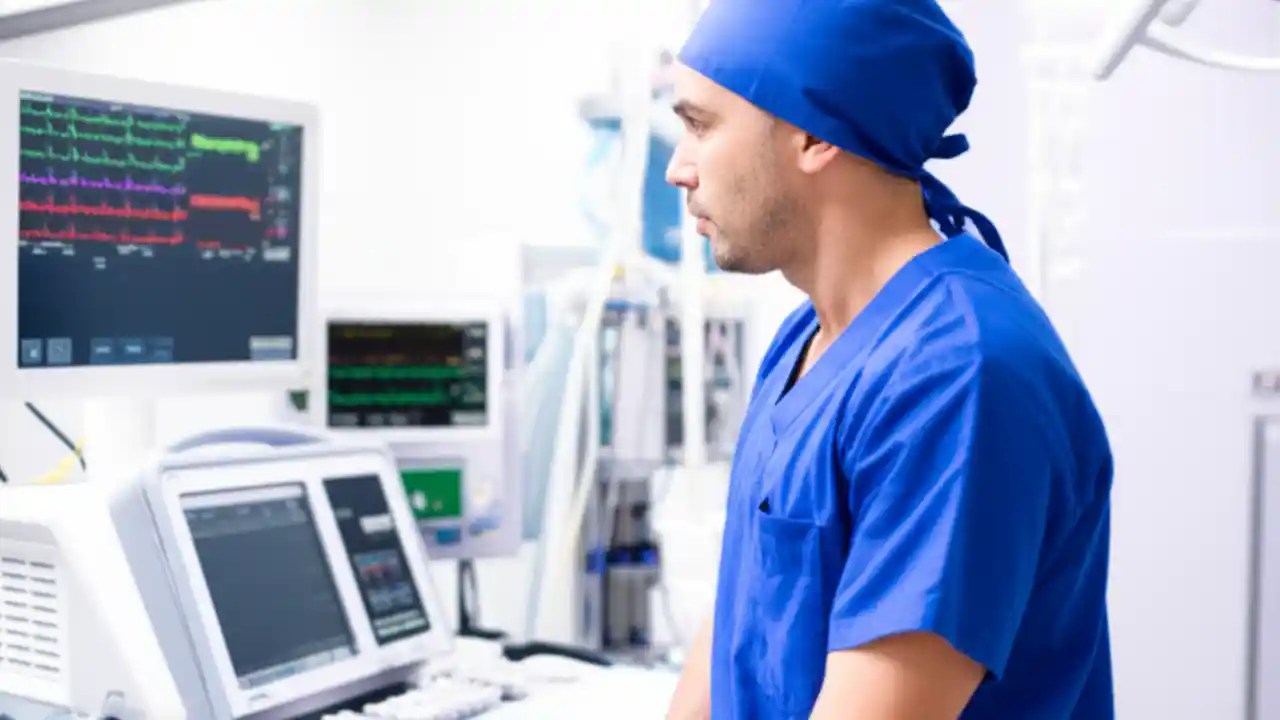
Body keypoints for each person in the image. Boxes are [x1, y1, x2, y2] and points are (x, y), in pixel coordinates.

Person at [662, 1, 1114, 719]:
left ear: (812, 133)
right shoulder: (806, 340)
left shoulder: (960, 374)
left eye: (699, 125)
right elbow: (739, 617)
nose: (676, 170)